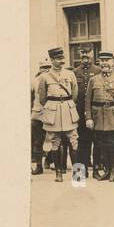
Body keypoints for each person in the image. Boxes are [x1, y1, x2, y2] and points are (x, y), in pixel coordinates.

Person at [35, 46, 79, 182]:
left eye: (62, 58)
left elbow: (75, 93)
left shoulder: (70, 74)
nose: (62, 61)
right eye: (59, 59)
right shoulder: (44, 77)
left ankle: (77, 175)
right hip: (53, 112)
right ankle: (58, 173)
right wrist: (52, 106)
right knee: (54, 142)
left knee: (74, 141)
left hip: (68, 109)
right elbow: (42, 97)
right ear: (52, 59)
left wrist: (66, 104)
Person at [85, 50, 114, 181]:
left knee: (113, 145)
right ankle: (107, 170)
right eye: (102, 61)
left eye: (107, 60)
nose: (105, 63)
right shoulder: (93, 79)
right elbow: (88, 100)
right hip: (98, 117)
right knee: (101, 145)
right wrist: (89, 118)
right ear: (99, 62)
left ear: (113, 62)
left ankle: (113, 170)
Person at [72, 45, 97, 180]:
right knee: (81, 143)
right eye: (82, 53)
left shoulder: (98, 70)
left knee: (98, 142)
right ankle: (79, 174)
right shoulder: (74, 72)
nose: (85, 55)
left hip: (96, 112)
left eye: (87, 52)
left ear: (92, 54)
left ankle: (98, 171)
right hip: (80, 112)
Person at [30, 60, 51, 175]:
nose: (45, 70)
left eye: (47, 68)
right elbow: (30, 97)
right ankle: (41, 164)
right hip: (39, 113)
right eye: (44, 68)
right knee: (39, 141)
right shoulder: (35, 80)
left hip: (45, 113)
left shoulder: (51, 80)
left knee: (50, 139)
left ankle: (46, 163)